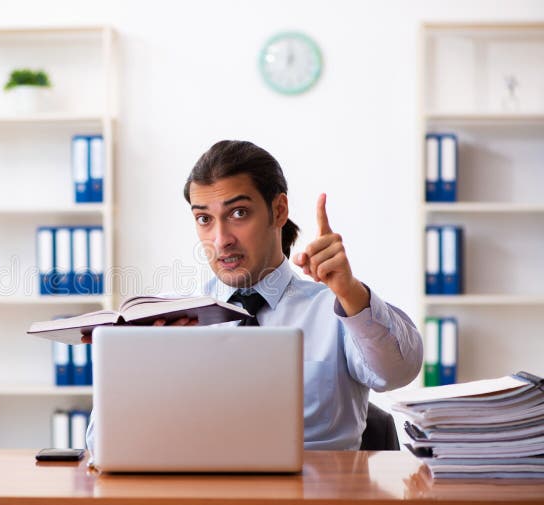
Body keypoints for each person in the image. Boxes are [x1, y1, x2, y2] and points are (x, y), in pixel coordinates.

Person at [86, 140, 422, 452]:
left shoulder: (335, 309)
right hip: (204, 503)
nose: (221, 239)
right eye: (204, 219)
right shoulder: (167, 319)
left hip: (314, 504)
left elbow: (399, 370)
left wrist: (351, 291)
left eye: (238, 213)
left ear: (278, 211)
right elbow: (100, 444)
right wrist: (142, 374)